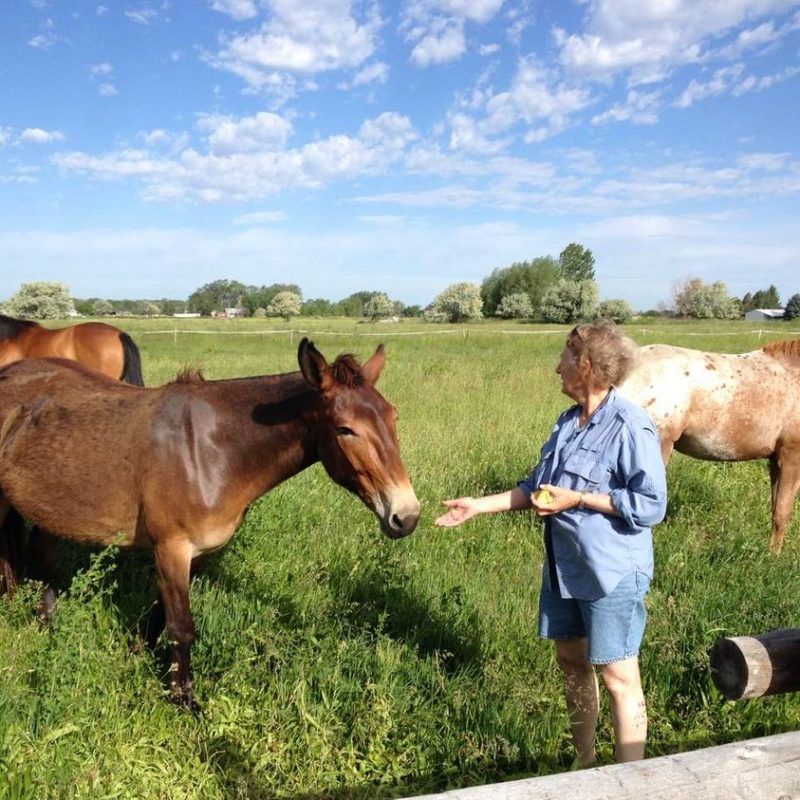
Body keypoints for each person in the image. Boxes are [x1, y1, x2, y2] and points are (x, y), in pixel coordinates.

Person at [435, 322, 667, 767]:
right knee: (571, 661)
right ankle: (583, 767)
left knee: (619, 674)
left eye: (564, 357)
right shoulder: (568, 423)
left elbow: (651, 504)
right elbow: (537, 488)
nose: (555, 367)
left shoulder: (629, 425)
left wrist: (578, 498)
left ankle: (631, 780)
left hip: (610, 571)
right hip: (566, 567)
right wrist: (477, 506)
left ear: (585, 366)